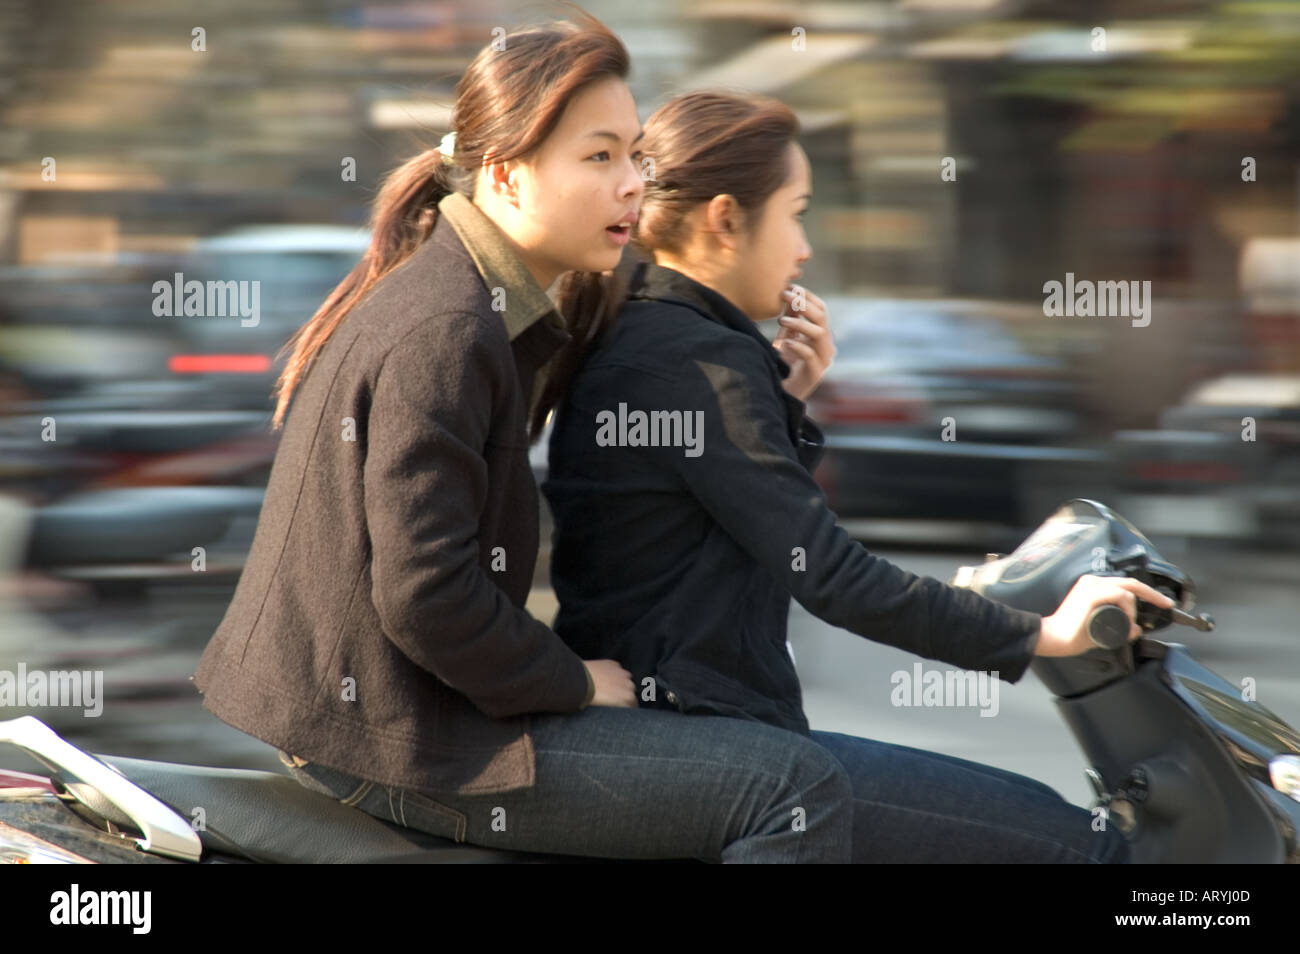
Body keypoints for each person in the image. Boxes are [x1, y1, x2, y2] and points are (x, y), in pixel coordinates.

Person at [191, 10, 859, 863]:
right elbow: (427, 598)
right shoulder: (448, 328)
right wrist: (572, 679)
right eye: (599, 156)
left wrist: (779, 397)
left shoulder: (496, 306)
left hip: (396, 706)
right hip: (390, 732)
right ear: (505, 176)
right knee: (794, 787)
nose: (633, 187)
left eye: (634, 156)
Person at [540, 90, 1175, 863]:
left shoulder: (646, 336)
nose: (804, 248)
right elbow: (832, 574)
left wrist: (785, 403)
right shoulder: (699, 359)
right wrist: (1044, 633)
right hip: (703, 741)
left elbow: (713, 517)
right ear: (727, 219)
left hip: (681, 735)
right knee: (1073, 844)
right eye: (798, 212)